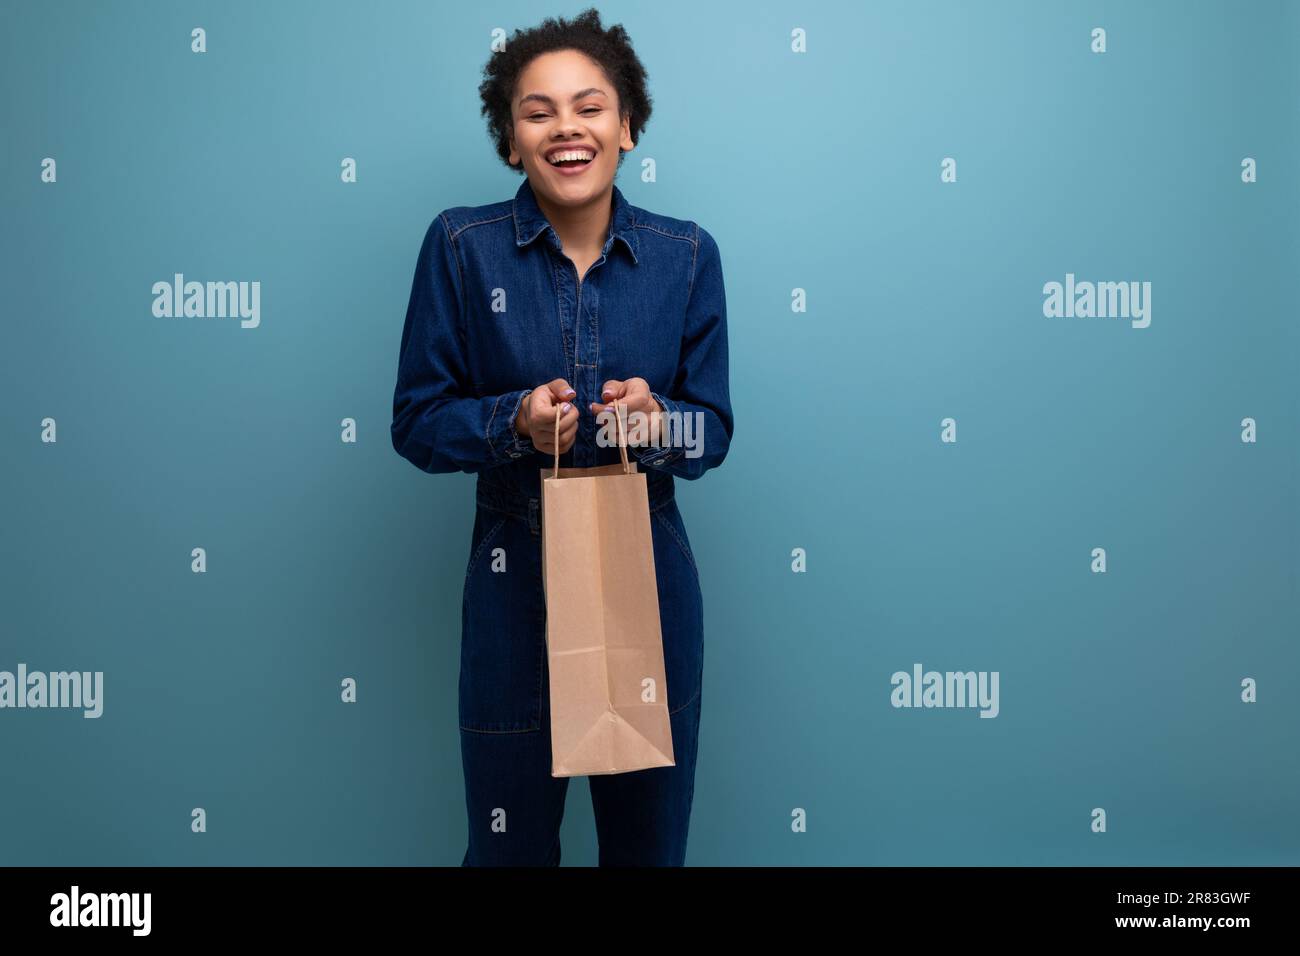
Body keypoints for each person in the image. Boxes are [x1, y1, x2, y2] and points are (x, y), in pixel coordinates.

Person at [390, 8, 733, 866]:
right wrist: (512, 420)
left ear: (628, 127)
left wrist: (659, 426)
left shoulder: (686, 256)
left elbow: (714, 431)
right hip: (510, 584)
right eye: (537, 112)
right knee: (507, 852)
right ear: (511, 141)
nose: (565, 127)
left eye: (589, 107)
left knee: (646, 849)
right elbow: (416, 422)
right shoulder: (461, 248)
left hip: (647, 580)